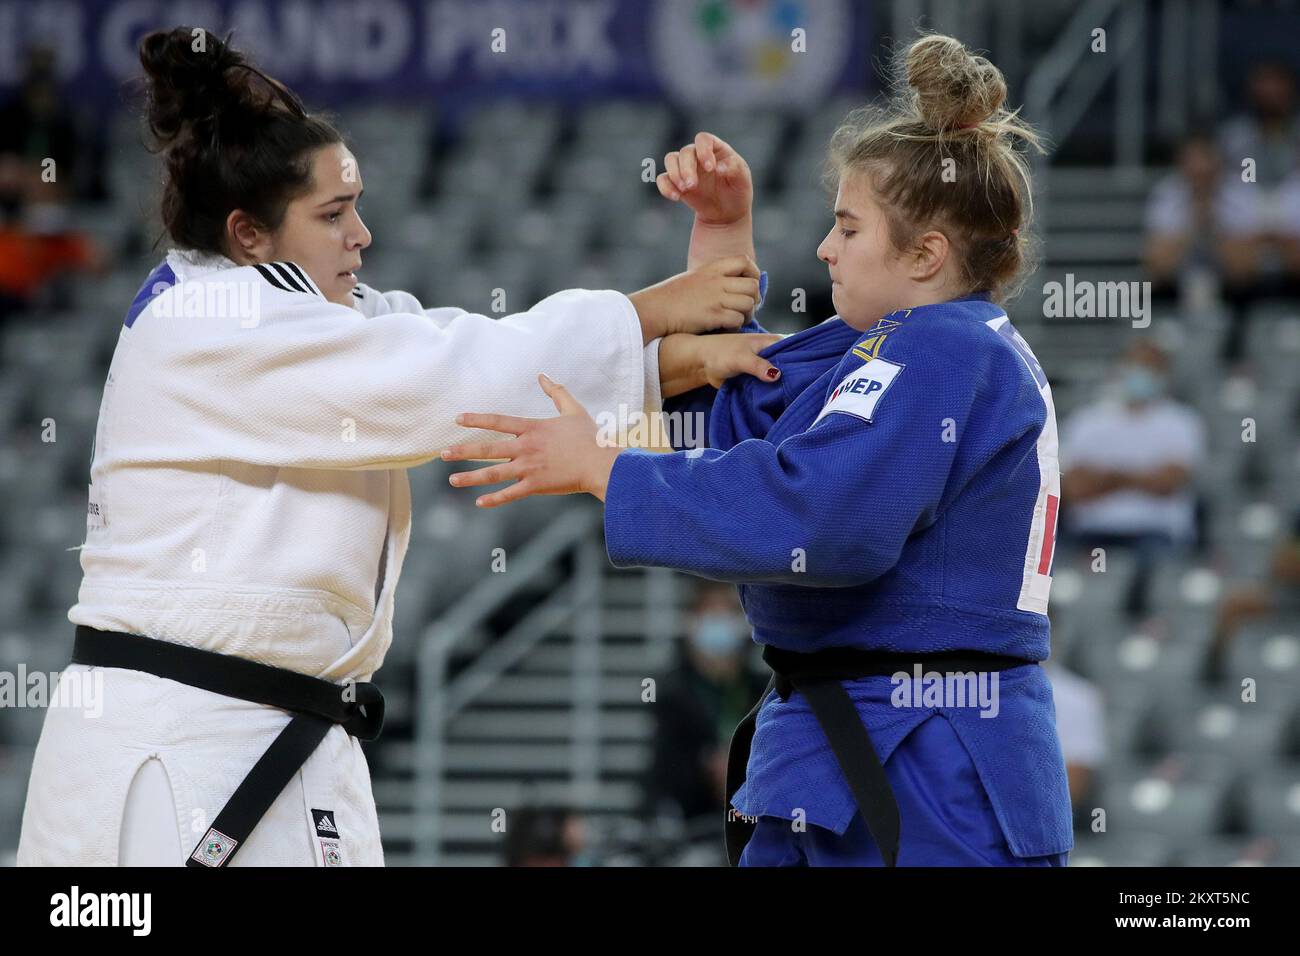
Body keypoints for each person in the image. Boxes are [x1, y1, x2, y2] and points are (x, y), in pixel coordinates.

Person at [17, 27, 777, 867]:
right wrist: (653, 307)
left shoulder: (298, 317)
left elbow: (444, 345)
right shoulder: (210, 322)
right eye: (334, 214)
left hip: (266, 733)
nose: (363, 235)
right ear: (249, 234)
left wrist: (677, 357)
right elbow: (449, 374)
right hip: (180, 755)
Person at [442, 34, 1074, 867]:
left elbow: (818, 514)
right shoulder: (885, 344)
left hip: (925, 753)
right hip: (854, 743)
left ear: (926, 255)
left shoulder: (949, 348)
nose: (824, 248)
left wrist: (605, 467)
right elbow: (738, 404)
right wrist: (721, 237)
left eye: (848, 228)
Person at [1059, 340, 1205, 617]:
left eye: (1149, 367)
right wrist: (1139, 478)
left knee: (1153, 588)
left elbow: (1168, 484)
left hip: (1154, 536)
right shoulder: (1087, 421)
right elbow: (1075, 489)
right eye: (1135, 365)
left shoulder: (1182, 423)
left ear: (1163, 374)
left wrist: (1107, 477)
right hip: (1091, 534)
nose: (1140, 373)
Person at [641, 581, 766, 847]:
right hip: (694, 827)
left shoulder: (762, 689)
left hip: (755, 826)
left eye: (728, 611)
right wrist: (704, 769)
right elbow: (660, 774)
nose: (719, 621)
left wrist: (741, 769)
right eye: (710, 611)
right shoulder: (672, 693)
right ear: (693, 621)